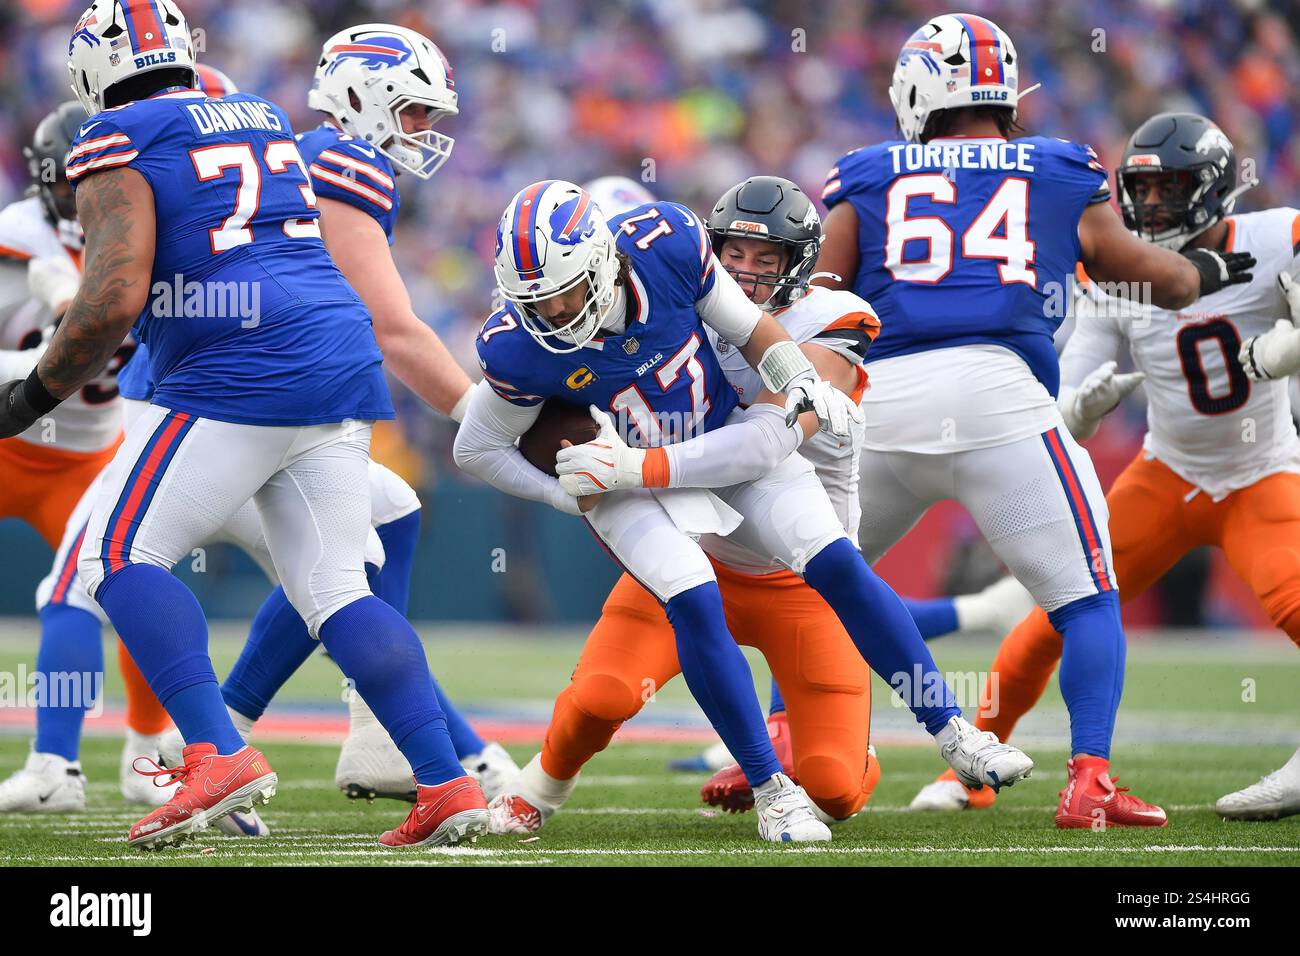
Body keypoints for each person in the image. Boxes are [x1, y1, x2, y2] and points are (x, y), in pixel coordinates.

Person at [0, 0, 486, 850]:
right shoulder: (262, 114)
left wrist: (29, 400)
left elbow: (112, 297)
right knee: (335, 587)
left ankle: (215, 749)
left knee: (115, 557)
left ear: (89, 70)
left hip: (240, 370)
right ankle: (445, 779)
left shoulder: (113, 137)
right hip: (338, 357)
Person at [455, 178, 1034, 842]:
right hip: (652, 501)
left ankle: (953, 730)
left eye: (768, 259)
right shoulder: (526, 339)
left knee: (839, 764)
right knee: (632, 662)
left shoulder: (783, 302)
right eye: (736, 254)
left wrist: (802, 382)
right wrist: (570, 492)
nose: (553, 314)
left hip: (754, 525)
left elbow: (759, 406)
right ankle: (755, 789)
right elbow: (477, 445)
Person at [812, 14, 1255, 827]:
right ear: (1003, 92)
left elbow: (819, 294)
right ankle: (1089, 780)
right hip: (1001, 395)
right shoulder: (1055, 166)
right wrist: (1199, 270)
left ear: (918, 92)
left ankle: (777, 749)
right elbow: (1148, 275)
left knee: (815, 584)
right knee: (1086, 601)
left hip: (884, 399)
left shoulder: (869, 172)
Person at [911, 113, 1300, 824]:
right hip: (1165, 473)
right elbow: (1062, 397)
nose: (1152, 205)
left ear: (1214, 190)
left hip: (1262, 470)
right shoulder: (1120, 273)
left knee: (1295, 600)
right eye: (1141, 189)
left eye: (1170, 187)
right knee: (1051, 618)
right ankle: (969, 766)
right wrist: (1083, 412)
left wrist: (1287, 351)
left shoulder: (1277, 237)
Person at [489, 176, 883, 829]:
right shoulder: (672, 307)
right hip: (697, 548)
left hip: (795, 579)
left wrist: (638, 467)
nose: (747, 273)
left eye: (767, 260)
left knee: (836, 790)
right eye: (735, 255)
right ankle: (538, 789)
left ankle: (805, 749)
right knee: (605, 692)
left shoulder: (829, 325)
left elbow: (758, 446)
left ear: (799, 264)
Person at [0, 101, 164, 812]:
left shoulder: (152, 236)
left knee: (136, 593)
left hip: (86, 460)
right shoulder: (15, 237)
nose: (83, 198)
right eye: (71, 183)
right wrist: (39, 358)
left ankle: (147, 750)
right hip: (7, 435)